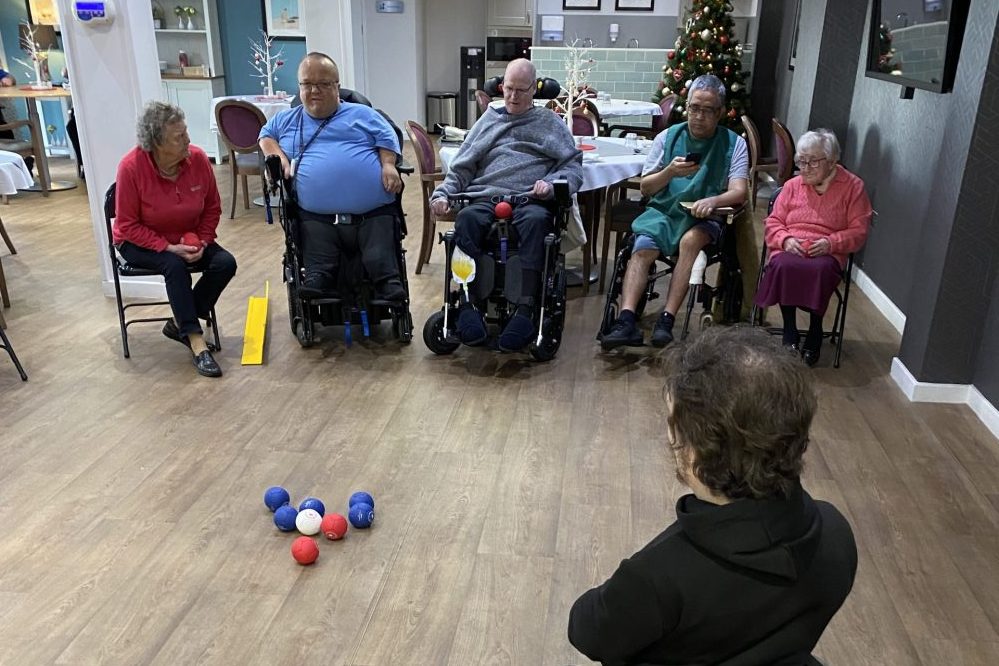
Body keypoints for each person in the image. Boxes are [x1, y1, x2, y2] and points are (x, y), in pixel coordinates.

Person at [568, 326, 858, 665]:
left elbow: (587, 630)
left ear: (694, 453)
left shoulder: (658, 577)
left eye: (672, 424)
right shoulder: (837, 535)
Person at [430, 58, 583, 352]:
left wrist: (551, 184)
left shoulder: (549, 123)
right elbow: (462, 167)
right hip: (485, 197)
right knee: (467, 221)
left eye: (521, 91)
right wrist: (443, 194)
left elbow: (573, 166)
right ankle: (469, 303)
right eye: (508, 89)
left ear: (534, 90)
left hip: (530, 199)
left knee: (538, 223)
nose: (512, 97)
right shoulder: (489, 120)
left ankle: (526, 309)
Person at [601, 74, 749, 350]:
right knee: (642, 249)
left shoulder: (733, 143)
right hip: (664, 211)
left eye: (707, 110)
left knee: (690, 241)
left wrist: (715, 201)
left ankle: (666, 320)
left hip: (704, 216)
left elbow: (739, 191)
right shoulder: (668, 137)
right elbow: (646, 186)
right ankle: (626, 319)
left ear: (719, 112)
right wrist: (669, 172)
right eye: (694, 108)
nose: (699, 116)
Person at [258, 52, 405, 302]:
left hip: (373, 212)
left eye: (323, 84)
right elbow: (265, 135)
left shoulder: (363, 114)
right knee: (317, 250)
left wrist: (388, 164)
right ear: (300, 86)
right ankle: (317, 276)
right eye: (307, 84)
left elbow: (388, 137)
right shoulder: (287, 119)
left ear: (337, 86)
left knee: (378, 251)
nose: (314, 90)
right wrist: (279, 157)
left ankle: (387, 280)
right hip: (316, 214)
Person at [113, 101, 237, 378]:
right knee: (174, 265)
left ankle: (178, 322)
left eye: (186, 132)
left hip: (187, 236)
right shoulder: (131, 167)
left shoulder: (198, 159)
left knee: (225, 263)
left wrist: (204, 242)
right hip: (139, 242)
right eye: (179, 137)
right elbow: (127, 225)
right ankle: (195, 341)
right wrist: (167, 247)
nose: (188, 140)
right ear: (157, 142)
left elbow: (212, 208)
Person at [755, 129, 872, 367]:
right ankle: (790, 331)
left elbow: (859, 231)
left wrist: (832, 243)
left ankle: (815, 330)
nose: (804, 168)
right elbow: (774, 222)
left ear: (832, 161)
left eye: (812, 162)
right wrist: (786, 240)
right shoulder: (792, 186)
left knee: (819, 271)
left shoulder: (853, 187)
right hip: (791, 246)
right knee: (783, 265)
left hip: (827, 251)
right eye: (801, 161)